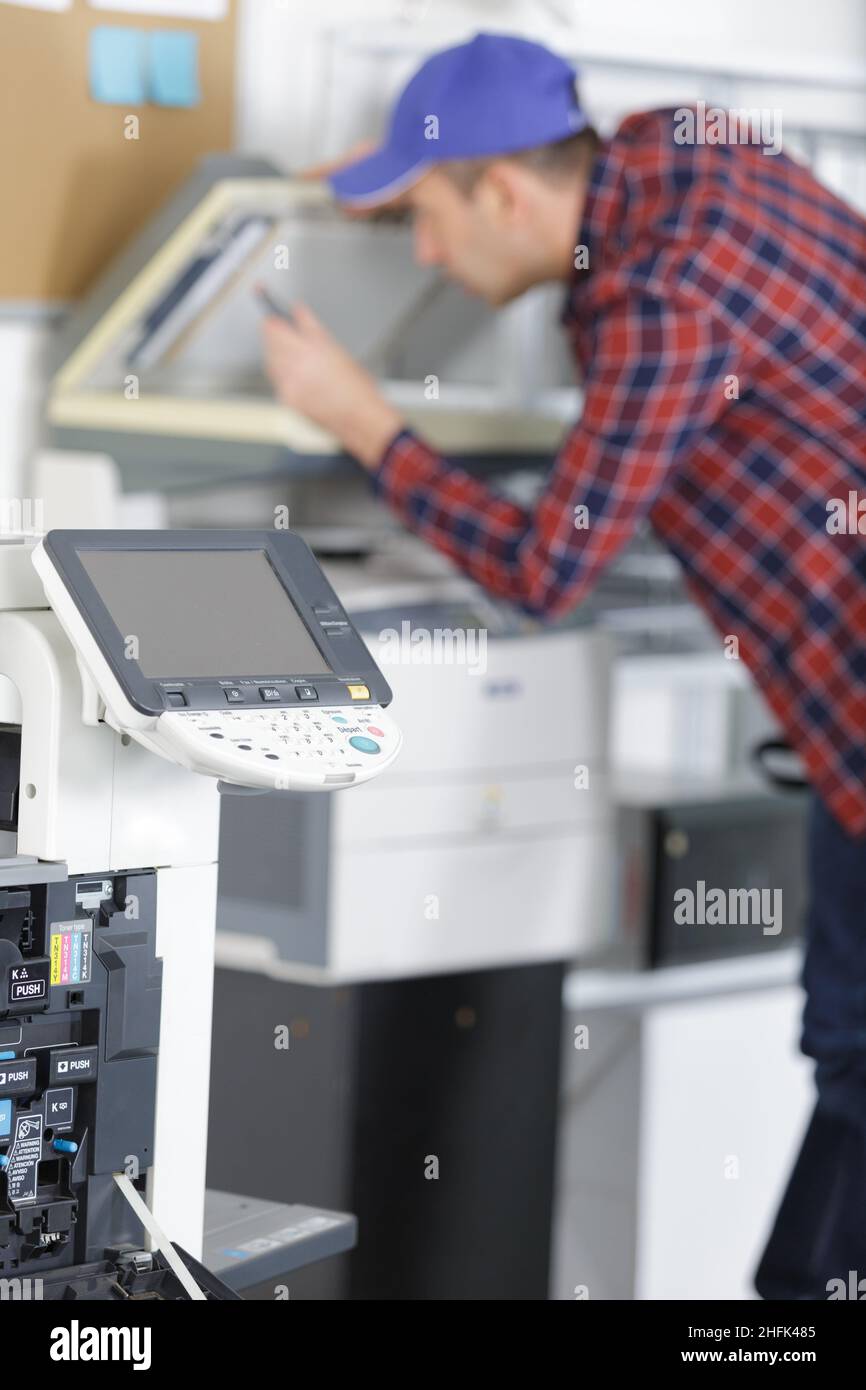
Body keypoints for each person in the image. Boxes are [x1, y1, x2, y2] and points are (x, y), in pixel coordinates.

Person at [262, 31, 866, 1298]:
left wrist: (361, 419)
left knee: (856, 1064)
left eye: (423, 218)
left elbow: (548, 568)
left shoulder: (653, 296)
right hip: (838, 732)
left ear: (502, 189)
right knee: (847, 1049)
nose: (423, 254)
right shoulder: (680, 154)